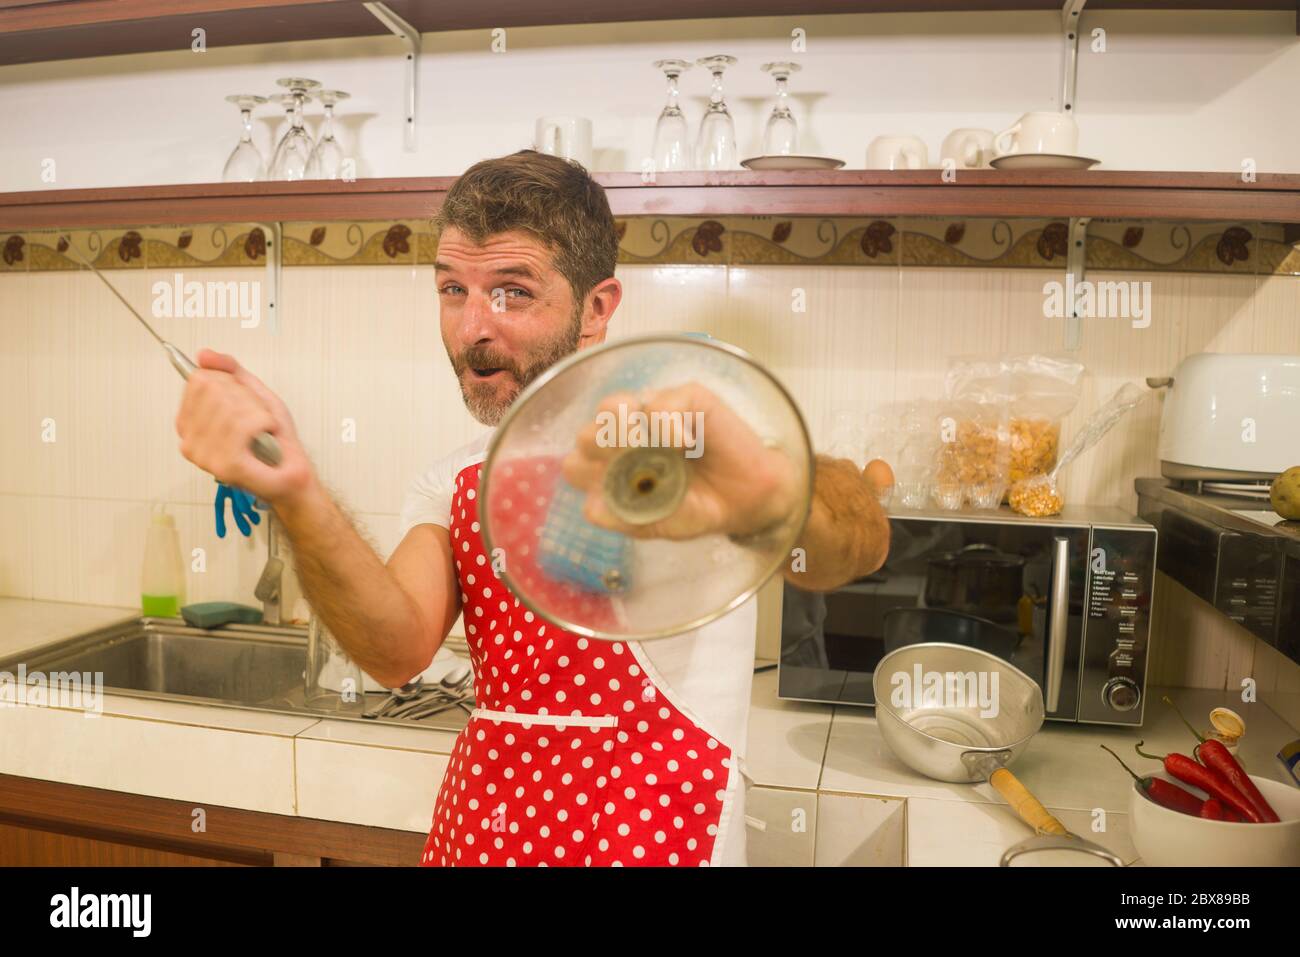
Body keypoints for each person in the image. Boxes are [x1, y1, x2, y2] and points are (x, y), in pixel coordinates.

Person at [174, 149, 890, 867]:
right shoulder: (452, 479)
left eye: (512, 292)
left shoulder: (694, 445)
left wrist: (771, 500)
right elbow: (394, 651)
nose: (471, 329)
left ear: (596, 307)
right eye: (453, 290)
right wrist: (296, 489)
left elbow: (856, 541)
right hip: (481, 843)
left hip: (655, 844)